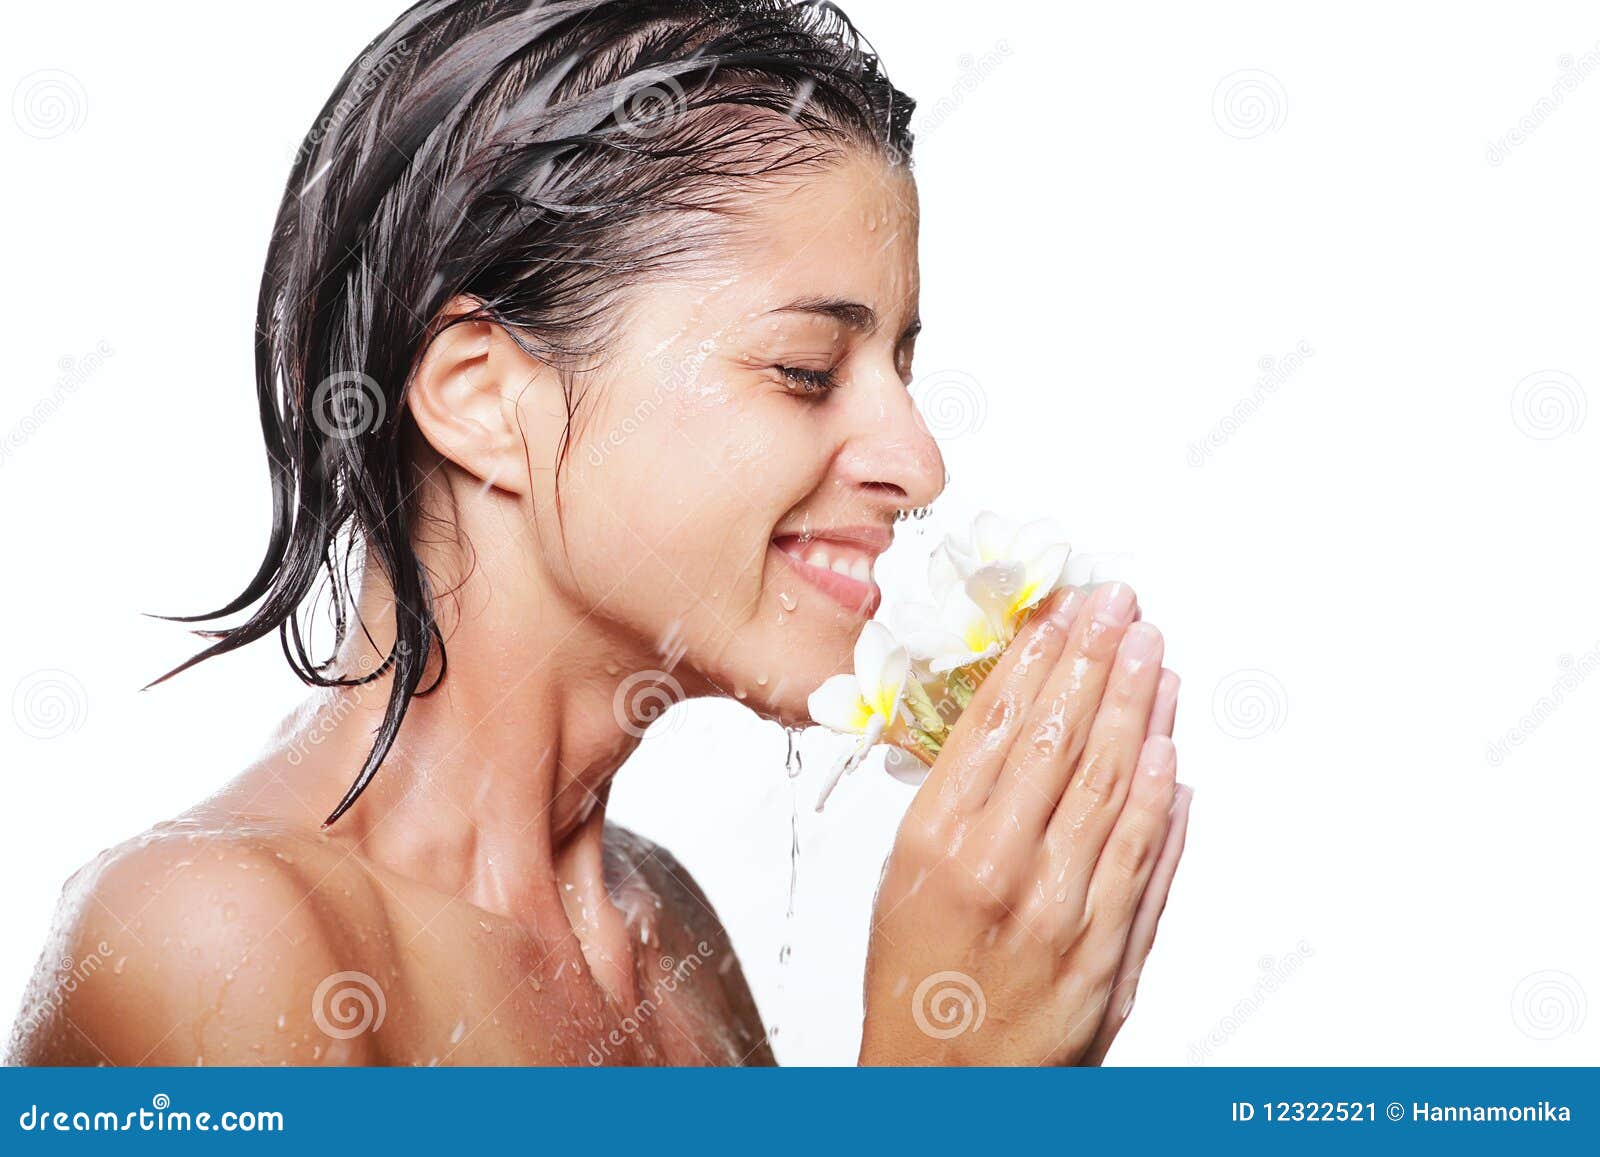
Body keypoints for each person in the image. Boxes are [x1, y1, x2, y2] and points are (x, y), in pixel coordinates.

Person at [9, 0, 1190, 1066]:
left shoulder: (663, 928)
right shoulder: (220, 941)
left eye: (899, 364)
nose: (920, 462)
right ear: (483, 396)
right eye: (806, 367)